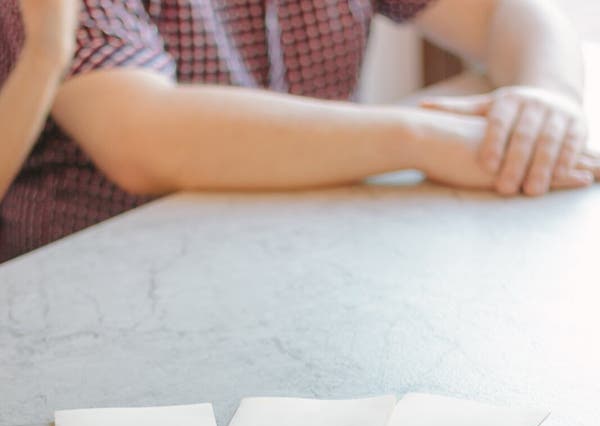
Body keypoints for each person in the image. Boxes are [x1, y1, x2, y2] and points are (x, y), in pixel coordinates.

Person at [1, 0, 600, 264]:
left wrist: (545, 98)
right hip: (101, 279)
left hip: (316, 248)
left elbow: (507, 9)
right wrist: (421, 137)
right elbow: (139, 137)